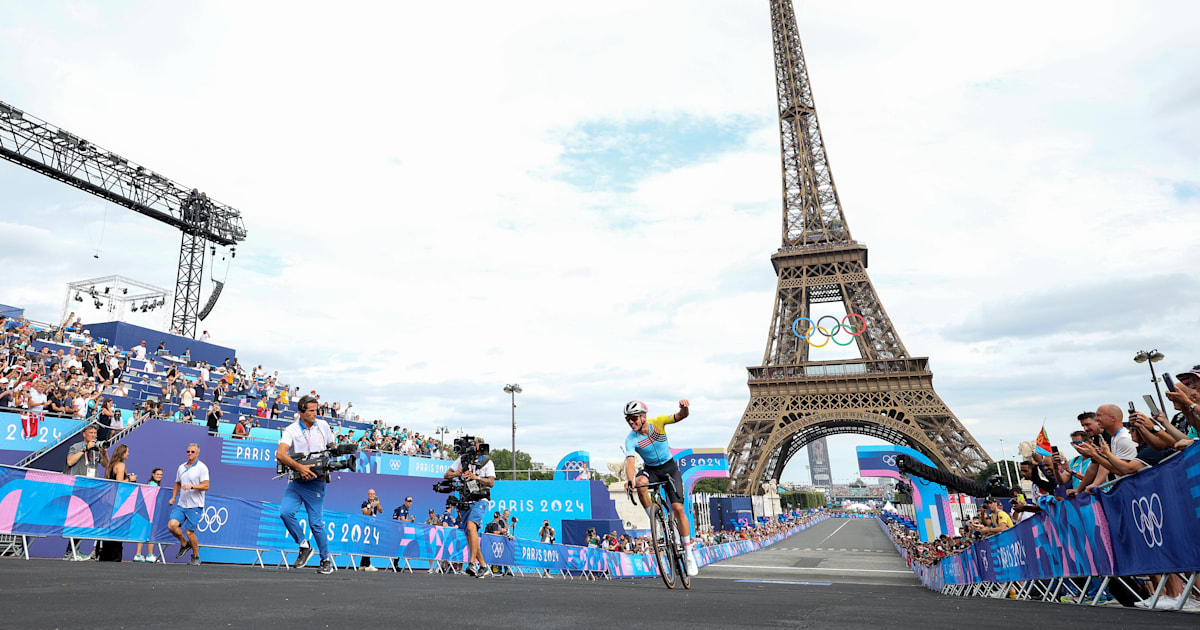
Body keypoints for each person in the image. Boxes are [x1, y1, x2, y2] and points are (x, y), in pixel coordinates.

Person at [622, 398, 698, 576]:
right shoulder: (631, 439)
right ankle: (654, 519)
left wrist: (684, 408)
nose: (631, 422)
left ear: (644, 416)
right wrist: (630, 479)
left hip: (670, 468)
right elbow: (630, 460)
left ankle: (688, 554)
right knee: (640, 483)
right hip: (651, 470)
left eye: (634, 418)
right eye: (628, 419)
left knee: (678, 509)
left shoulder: (659, 422)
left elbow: (681, 416)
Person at [275, 395, 336, 575]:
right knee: (285, 512)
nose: (315, 413)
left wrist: (336, 453)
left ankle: (325, 560)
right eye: (311, 410)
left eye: (316, 410)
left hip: (317, 482)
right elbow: (280, 454)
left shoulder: (323, 426)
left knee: (315, 523)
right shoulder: (291, 430)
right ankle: (304, 546)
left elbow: (332, 447)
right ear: (301, 412)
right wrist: (300, 467)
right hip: (296, 481)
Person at [443, 435, 496, 578]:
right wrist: (456, 473)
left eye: (474, 444)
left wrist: (476, 477)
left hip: (481, 498)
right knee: (470, 535)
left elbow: (491, 483)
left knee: (472, 526)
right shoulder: (463, 459)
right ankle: (483, 566)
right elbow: (446, 475)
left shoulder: (487, 461)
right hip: (466, 499)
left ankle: (471, 563)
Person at [62, 424, 109, 561]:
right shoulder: (76, 447)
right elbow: (70, 462)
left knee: (84, 520)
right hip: (76, 488)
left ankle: (72, 551)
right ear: (84, 434)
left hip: (91, 489)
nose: (93, 435)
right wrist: (85, 449)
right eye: (91, 433)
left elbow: (106, 465)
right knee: (75, 520)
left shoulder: (96, 449)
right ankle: (70, 551)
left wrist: (104, 453)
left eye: (95, 433)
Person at [167, 443, 209, 566]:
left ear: (198, 453)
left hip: (195, 505)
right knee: (172, 525)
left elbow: (206, 485)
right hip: (182, 504)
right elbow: (178, 483)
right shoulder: (181, 467)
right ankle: (184, 543)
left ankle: (196, 556)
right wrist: (173, 497)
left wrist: (192, 487)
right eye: (188, 451)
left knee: (190, 532)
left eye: (192, 452)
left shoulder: (202, 467)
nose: (189, 453)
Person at [98, 444, 133, 562]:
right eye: (127, 452)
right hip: (116, 500)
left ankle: (105, 554)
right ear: (122, 453)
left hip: (108, 499)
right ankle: (115, 556)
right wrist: (130, 479)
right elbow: (119, 483)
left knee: (108, 526)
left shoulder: (111, 465)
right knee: (117, 526)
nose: (128, 454)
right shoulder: (121, 465)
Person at [134, 468, 164, 562]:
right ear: (153, 474)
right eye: (157, 474)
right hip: (150, 513)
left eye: (161, 474)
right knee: (151, 533)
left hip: (148, 513)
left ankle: (138, 554)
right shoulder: (153, 485)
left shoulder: (153, 484)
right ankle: (149, 555)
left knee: (144, 532)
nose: (159, 476)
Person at [360, 489, 382, 572]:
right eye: (370, 494)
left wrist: (378, 504)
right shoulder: (364, 503)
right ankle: (367, 564)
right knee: (367, 544)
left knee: (369, 544)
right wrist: (372, 506)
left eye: (373, 494)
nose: (372, 495)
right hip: (366, 526)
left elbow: (381, 511)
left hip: (373, 525)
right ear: (367, 495)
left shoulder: (376, 502)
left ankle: (362, 564)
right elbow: (366, 513)